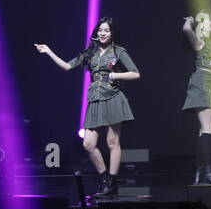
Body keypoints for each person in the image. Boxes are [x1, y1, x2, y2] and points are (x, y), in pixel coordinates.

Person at [35, 16, 139, 196]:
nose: (103, 33)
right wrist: (49, 51)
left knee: (112, 142)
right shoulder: (89, 52)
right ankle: (105, 177)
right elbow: (67, 66)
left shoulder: (119, 51)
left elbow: (136, 74)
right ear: (96, 33)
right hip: (95, 100)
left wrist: (114, 76)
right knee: (88, 144)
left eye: (106, 30)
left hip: (113, 97)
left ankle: (112, 182)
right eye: (100, 30)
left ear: (112, 33)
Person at [181, 12, 211, 184]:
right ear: (202, 24)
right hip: (201, 83)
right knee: (209, 127)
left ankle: (200, 171)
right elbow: (186, 29)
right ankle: (207, 171)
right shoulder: (200, 41)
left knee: (203, 129)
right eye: (210, 19)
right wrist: (190, 20)